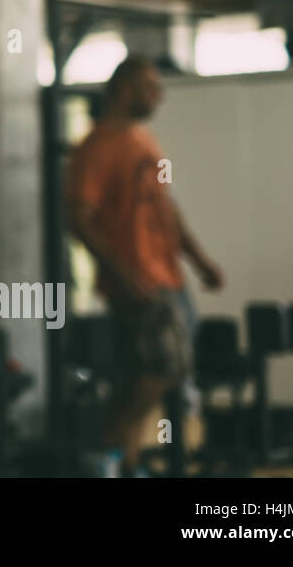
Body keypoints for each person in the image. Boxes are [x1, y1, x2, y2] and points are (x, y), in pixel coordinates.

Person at [64, 54, 224, 477]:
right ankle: (109, 448)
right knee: (160, 370)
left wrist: (200, 260)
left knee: (161, 370)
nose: (159, 95)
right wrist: (124, 275)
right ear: (122, 89)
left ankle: (125, 462)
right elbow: (78, 220)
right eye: (150, 87)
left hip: (168, 278)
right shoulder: (97, 147)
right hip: (137, 283)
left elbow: (166, 210)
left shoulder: (144, 141)